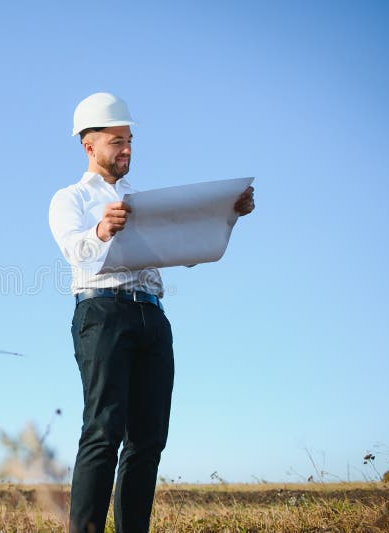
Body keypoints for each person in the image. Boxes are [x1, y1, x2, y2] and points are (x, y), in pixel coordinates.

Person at [49, 92, 255, 533]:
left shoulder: (141, 200)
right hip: (101, 313)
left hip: (153, 318)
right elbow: (74, 249)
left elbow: (187, 250)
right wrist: (102, 229)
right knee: (103, 431)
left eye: (129, 140)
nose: (126, 149)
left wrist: (228, 215)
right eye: (116, 141)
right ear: (89, 146)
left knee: (148, 440)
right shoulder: (69, 200)